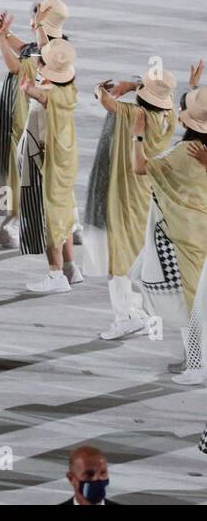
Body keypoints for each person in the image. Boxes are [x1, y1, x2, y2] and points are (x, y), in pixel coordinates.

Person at [87, 65, 178, 339]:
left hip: (124, 191)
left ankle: (125, 316)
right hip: (146, 192)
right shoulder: (168, 118)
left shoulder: (134, 115)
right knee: (136, 250)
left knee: (118, 253)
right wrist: (133, 86)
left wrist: (100, 89)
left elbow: (106, 101)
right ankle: (138, 309)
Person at [131, 88, 207, 385]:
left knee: (188, 300)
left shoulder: (182, 153)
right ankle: (195, 357)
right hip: (198, 229)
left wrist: (137, 136)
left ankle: (197, 366)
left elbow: (140, 167)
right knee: (191, 295)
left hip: (181, 234)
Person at [0, 0, 68, 249]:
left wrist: (0, 39)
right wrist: (7, 35)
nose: (32, 20)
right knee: (20, 169)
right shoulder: (49, 46)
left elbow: (17, 66)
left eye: (37, 17)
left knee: (22, 170)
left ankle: (16, 227)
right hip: (22, 113)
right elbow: (23, 48)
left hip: (27, 117)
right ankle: (13, 224)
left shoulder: (48, 51)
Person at [17, 39, 82, 294]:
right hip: (64, 161)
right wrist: (42, 30)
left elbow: (39, 95)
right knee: (63, 212)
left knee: (50, 216)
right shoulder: (69, 88)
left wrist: (27, 87)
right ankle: (70, 267)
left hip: (47, 161)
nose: (38, 62)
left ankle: (55, 275)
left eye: (42, 61)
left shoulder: (49, 95)